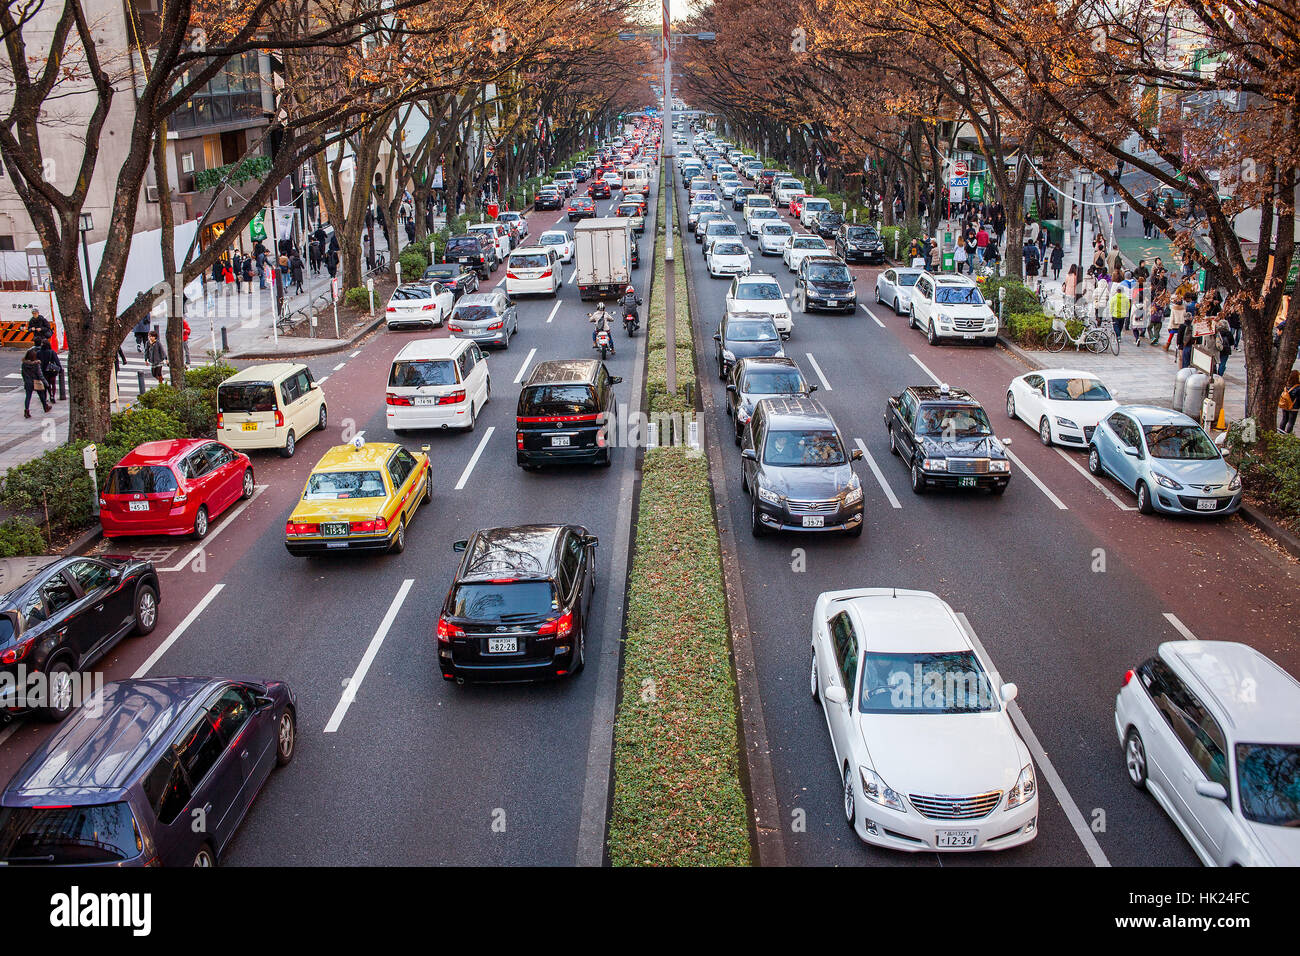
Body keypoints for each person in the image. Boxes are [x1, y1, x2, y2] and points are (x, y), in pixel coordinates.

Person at [20, 348, 49, 417]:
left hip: (28, 382)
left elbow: (23, 373)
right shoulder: (36, 364)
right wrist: (46, 383)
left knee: (28, 396)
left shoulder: (24, 364)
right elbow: (40, 375)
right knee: (41, 394)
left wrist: (25, 380)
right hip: (36, 381)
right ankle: (45, 407)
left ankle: (26, 410)